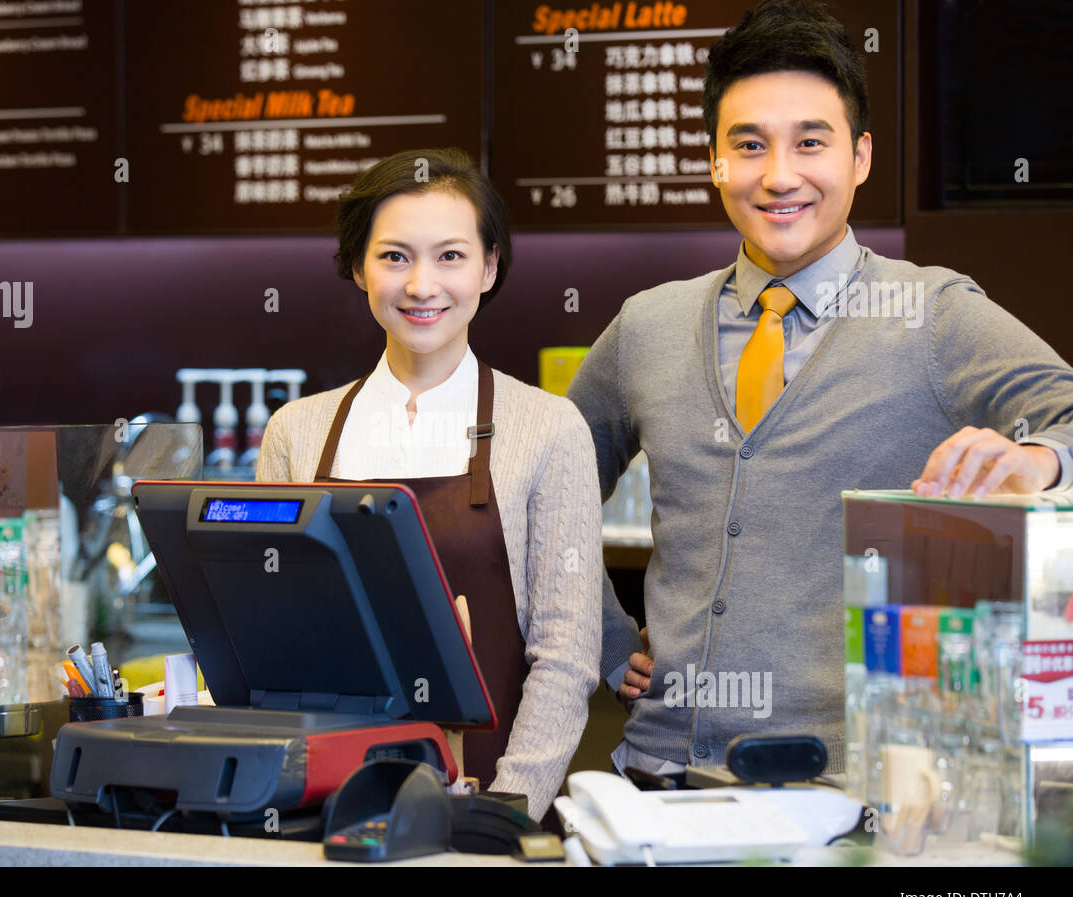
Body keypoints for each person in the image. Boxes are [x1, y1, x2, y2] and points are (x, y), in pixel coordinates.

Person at [567, 0, 1073, 777]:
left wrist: (1040, 458)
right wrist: (604, 635)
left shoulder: (931, 314)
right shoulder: (648, 326)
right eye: (749, 144)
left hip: (848, 793)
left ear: (861, 156)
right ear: (715, 162)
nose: (779, 176)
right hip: (657, 776)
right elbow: (548, 494)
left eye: (811, 142)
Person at [257, 148, 601, 820]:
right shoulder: (296, 432)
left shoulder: (549, 428)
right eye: (394, 257)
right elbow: (274, 642)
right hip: (321, 801)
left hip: (488, 797)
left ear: (489, 266)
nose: (421, 285)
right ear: (358, 268)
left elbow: (567, 656)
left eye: (450, 256)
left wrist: (507, 808)